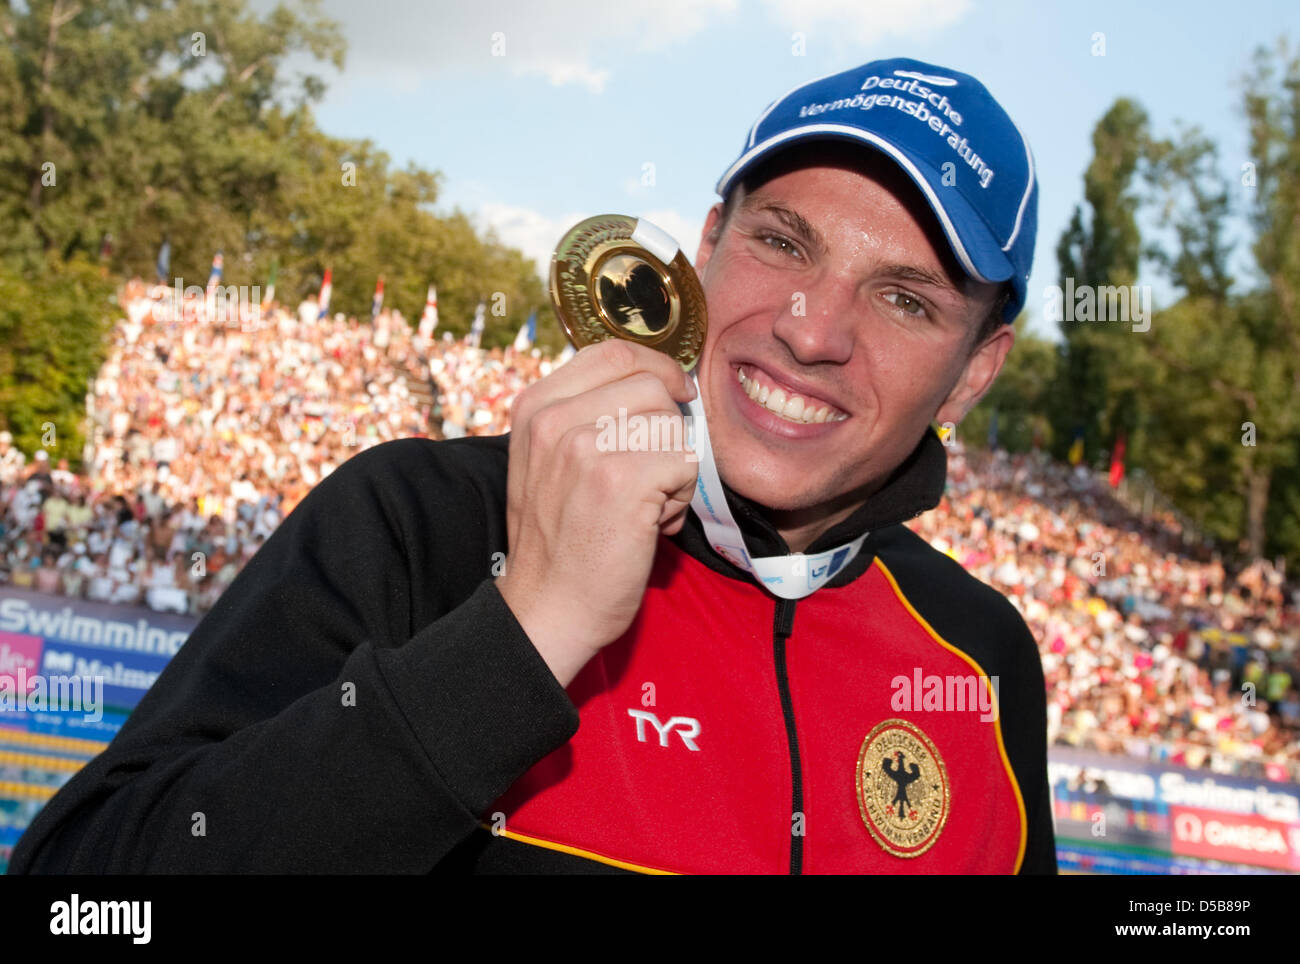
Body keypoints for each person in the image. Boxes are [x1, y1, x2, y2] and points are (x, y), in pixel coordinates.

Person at [9, 56, 1055, 874]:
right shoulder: (423, 520)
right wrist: (523, 634)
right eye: (783, 244)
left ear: (973, 375)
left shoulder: (979, 656)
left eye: (906, 299)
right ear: (704, 248)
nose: (811, 330)